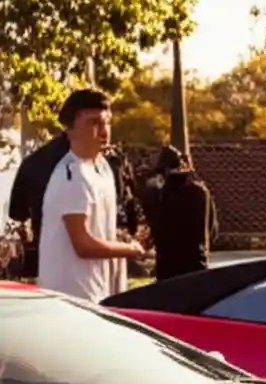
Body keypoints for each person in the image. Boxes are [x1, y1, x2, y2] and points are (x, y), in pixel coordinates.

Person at [37, 89, 145, 302]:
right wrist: (129, 249)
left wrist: (123, 241)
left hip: (99, 294)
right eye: (94, 123)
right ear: (70, 130)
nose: (104, 131)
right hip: (71, 300)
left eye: (107, 122)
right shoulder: (72, 175)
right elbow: (83, 245)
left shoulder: (103, 167)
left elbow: (100, 231)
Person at [7, 108, 72, 278]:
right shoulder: (93, 162)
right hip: (88, 254)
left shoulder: (32, 162)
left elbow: (16, 212)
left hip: (46, 250)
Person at [152, 152, 219, 280]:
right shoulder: (201, 192)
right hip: (197, 265)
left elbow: (158, 231)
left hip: (168, 268)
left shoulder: (162, 196)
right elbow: (212, 230)